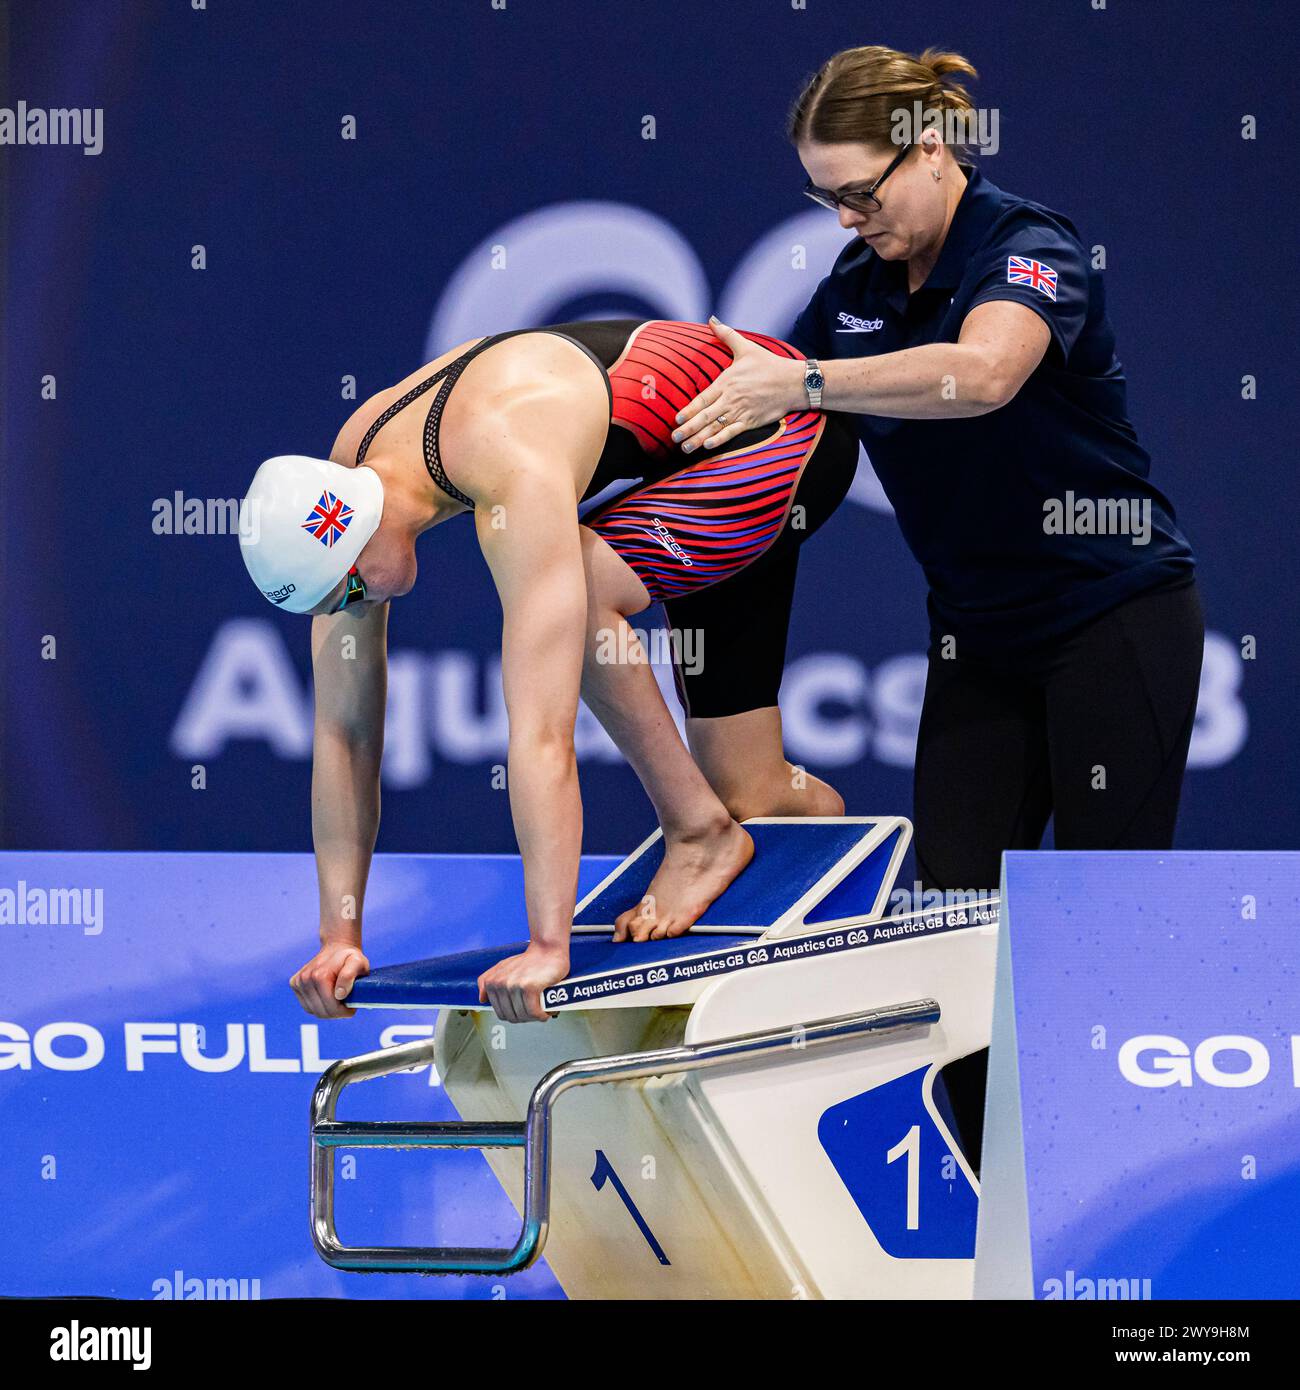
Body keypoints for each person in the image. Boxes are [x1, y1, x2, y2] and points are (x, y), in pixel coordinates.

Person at [672, 47, 1203, 899]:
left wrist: (804, 378)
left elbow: (983, 375)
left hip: (1113, 617)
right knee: (952, 915)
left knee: (1107, 908)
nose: (845, 220)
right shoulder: (857, 282)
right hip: (977, 637)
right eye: (826, 198)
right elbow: (758, 405)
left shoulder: (1030, 245)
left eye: (858, 194)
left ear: (928, 149)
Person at [239, 319, 857, 1023]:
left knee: (582, 594)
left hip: (778, 428)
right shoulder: (347, 474)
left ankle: (698, 831)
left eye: (350, 591)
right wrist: (338, 936)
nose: (355, 608)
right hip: (692, 457)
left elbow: (542, 732)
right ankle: (827, 844)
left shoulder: (509, 463)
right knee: (756, 795)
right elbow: (344, 732)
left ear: (352, 543)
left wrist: (547, 945)